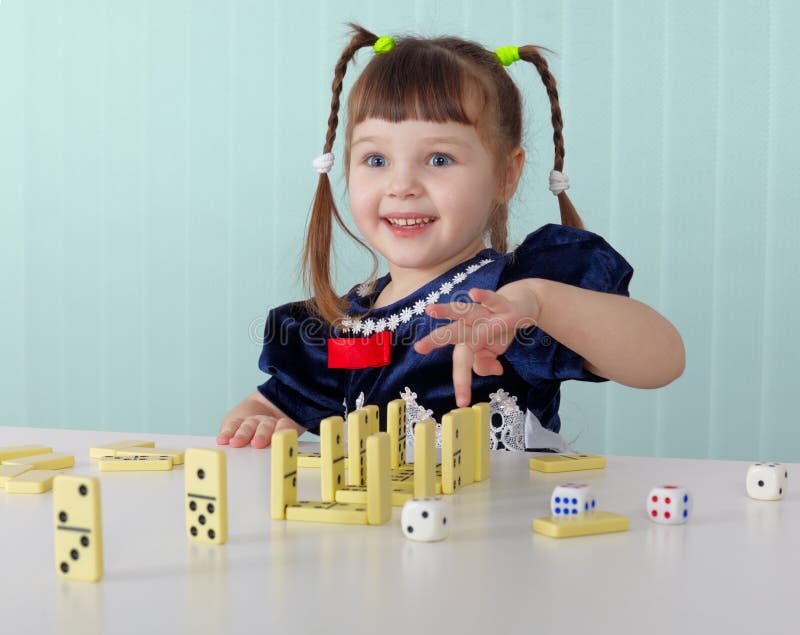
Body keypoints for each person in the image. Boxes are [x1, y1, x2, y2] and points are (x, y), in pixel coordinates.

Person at [216, 23, 684, 452]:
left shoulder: (508, 299)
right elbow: (270, 407)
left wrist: (540, 303)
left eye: (439, 159)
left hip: (504, 517)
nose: (402, 185)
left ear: (506, 175)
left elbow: (662, 361)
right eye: (376, 160)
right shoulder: (342, 326)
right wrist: (259, 420)